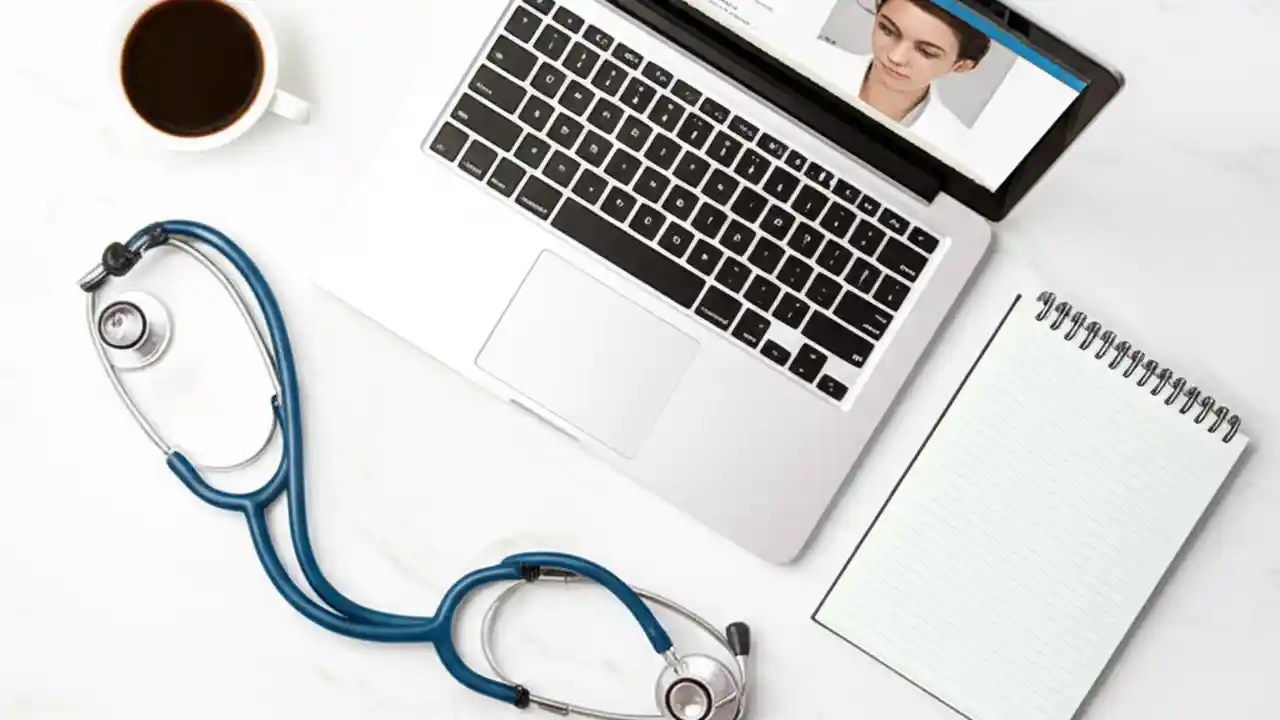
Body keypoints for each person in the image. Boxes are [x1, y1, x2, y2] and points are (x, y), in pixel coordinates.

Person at [805, 0, 991, 150]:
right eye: (887, 29)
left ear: (961, 66)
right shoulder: (807, 61)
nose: (895, 57)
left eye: (925, 51)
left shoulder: (955, 147)